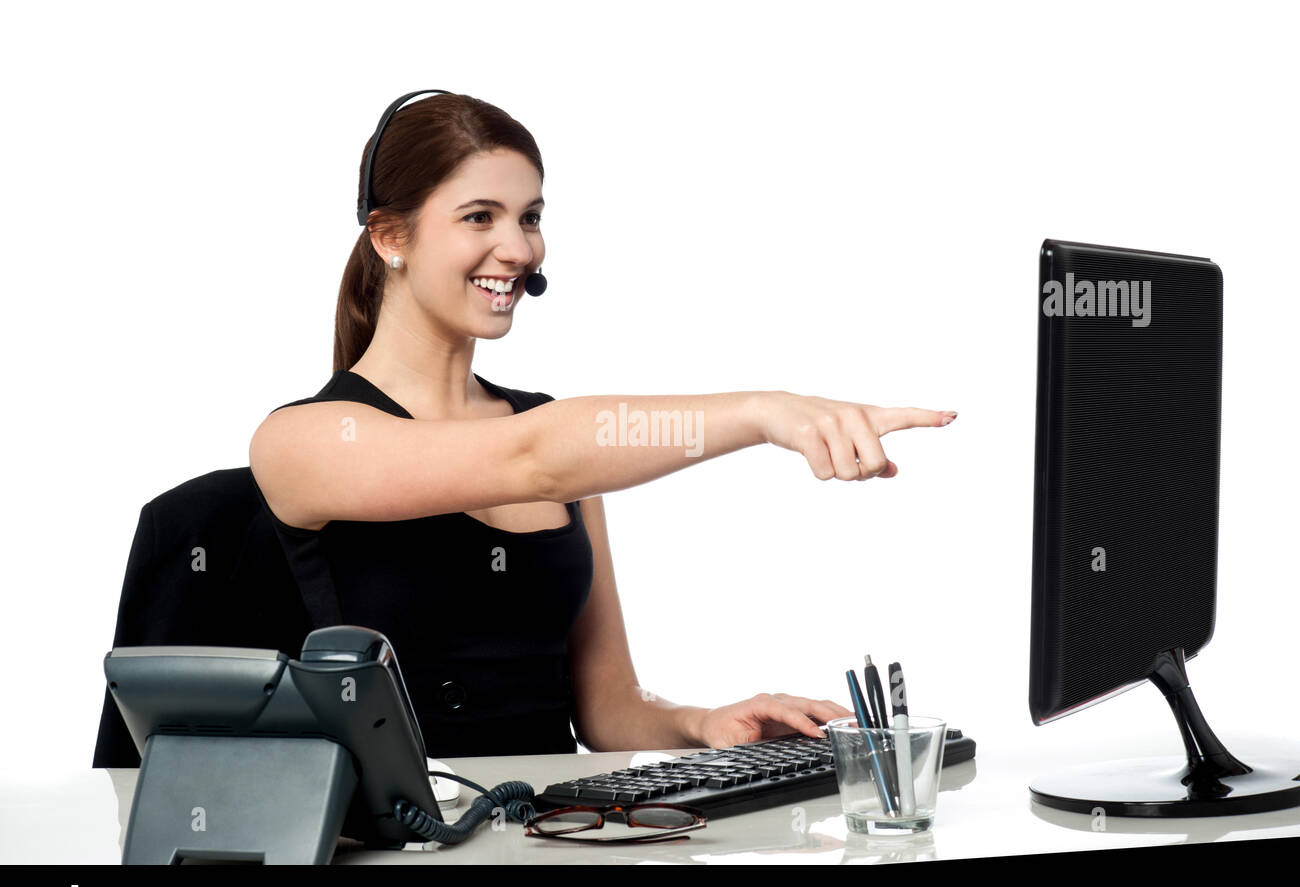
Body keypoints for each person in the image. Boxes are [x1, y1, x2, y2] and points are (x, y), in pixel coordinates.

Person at [249, 93, 958, 758]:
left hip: (556, 835)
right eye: (479, 217)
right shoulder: (303, 441)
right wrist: (763, 411)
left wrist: (701, 722)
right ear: (389, 235)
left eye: (529, 217)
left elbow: (608, 706)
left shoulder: (552, 436)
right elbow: (533, 459)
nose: (520, 250)